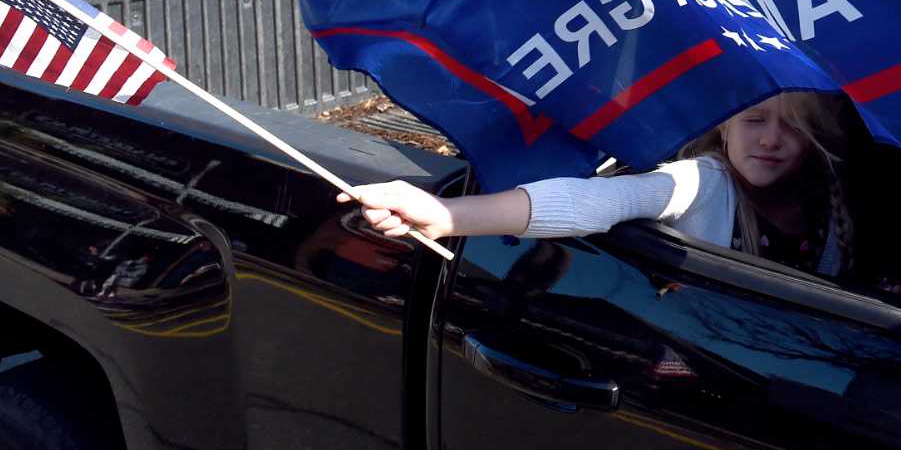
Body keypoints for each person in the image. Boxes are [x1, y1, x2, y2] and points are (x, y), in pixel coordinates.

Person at [343, 92, 855, 281]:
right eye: (754, 120)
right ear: (722, 127)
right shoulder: (704, 181)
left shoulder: (826, 195)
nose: (771, 139)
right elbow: (597, 201)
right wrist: (448, 214)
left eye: (792, 126)